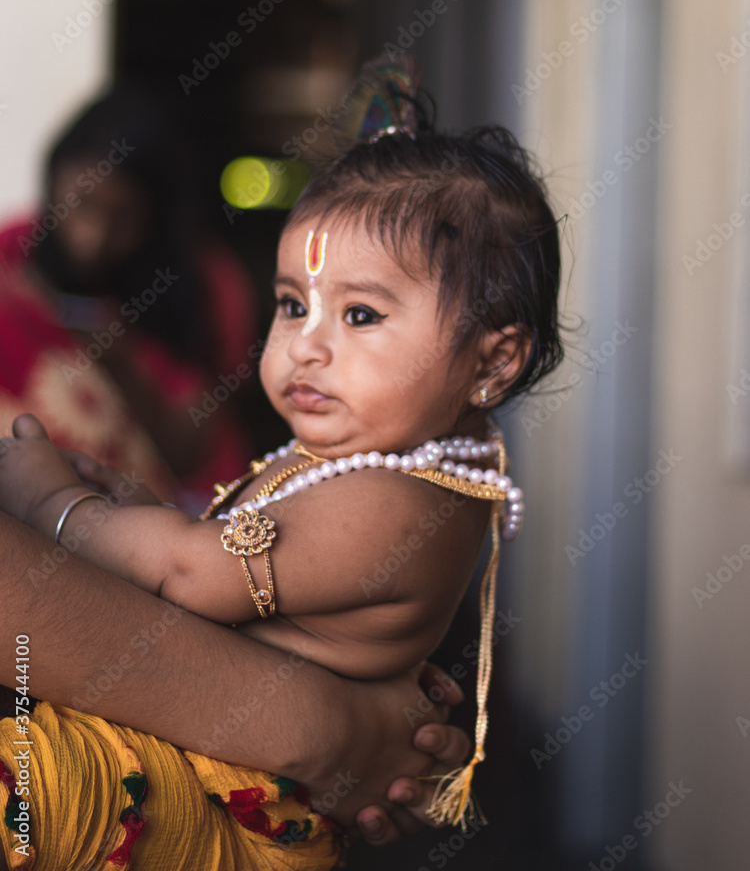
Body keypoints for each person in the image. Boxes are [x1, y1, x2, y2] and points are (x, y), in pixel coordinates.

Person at [0, 54, 563, 868]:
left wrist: (53, 503)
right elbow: (222, 559)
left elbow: (194, 578)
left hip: (222, 797)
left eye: (361, 313)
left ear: (492, 361)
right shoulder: (368, 461)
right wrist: (125, 502)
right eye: (293, 305)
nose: (306, 345)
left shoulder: (397, 498)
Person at [0, 87, 258, 506]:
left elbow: (192, 456)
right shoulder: (11, 256)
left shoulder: (203, 285)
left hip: (155, 525)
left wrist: (122, 363)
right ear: (52, 182)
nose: (93, 239)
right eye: (81, 205)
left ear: (157, 215)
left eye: (124, 218)